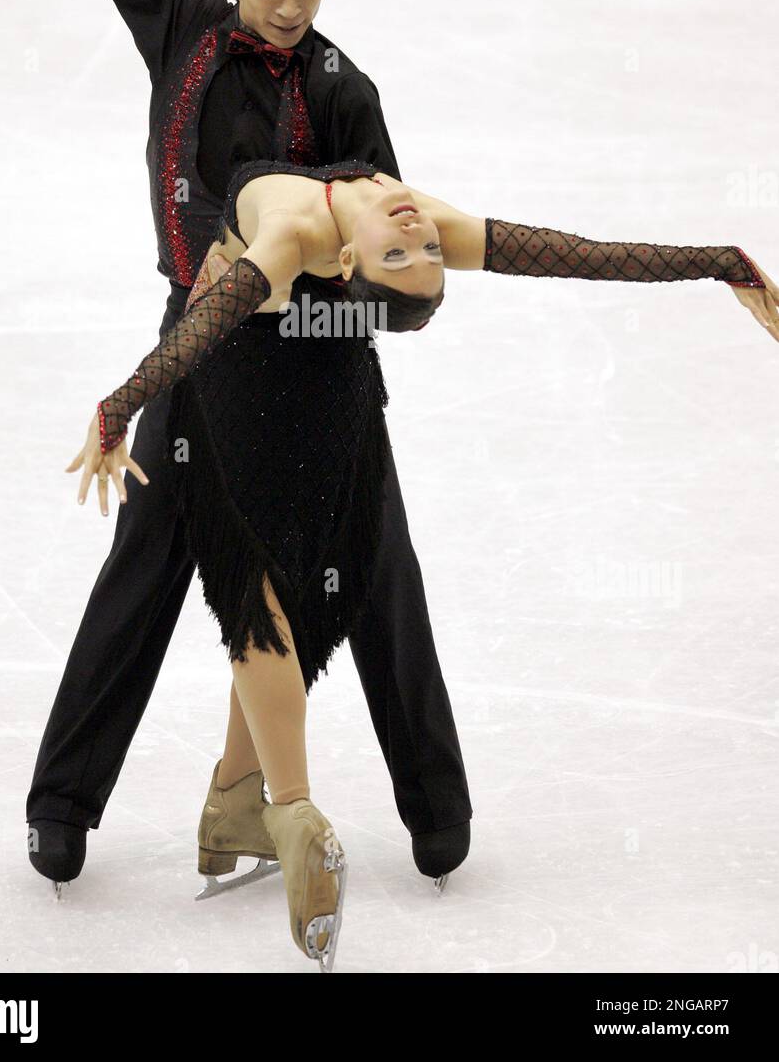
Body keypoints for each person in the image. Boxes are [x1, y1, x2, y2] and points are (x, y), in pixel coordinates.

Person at [5, 0, 472, 910]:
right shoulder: (185, 27)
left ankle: (439, 811)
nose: (290, 10)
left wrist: (339, 309)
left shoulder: (348, 90)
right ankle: (63, 804)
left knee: (373, 564)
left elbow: (411, 280)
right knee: (149, 554)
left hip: (321, 360)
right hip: (199, 348)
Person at [71, 156, 777, 967]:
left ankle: (257, 802)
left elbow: (210, 319)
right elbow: (578, 250)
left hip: (273, 382)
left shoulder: (307, 231)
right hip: (261, 382)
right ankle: (266, 804)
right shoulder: (361, 221)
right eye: (418, 254)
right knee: (262, 583)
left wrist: (119, 406)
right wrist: (723, 261)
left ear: (343, 268)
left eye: (408, 255)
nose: (417, 239)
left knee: (277, 589)